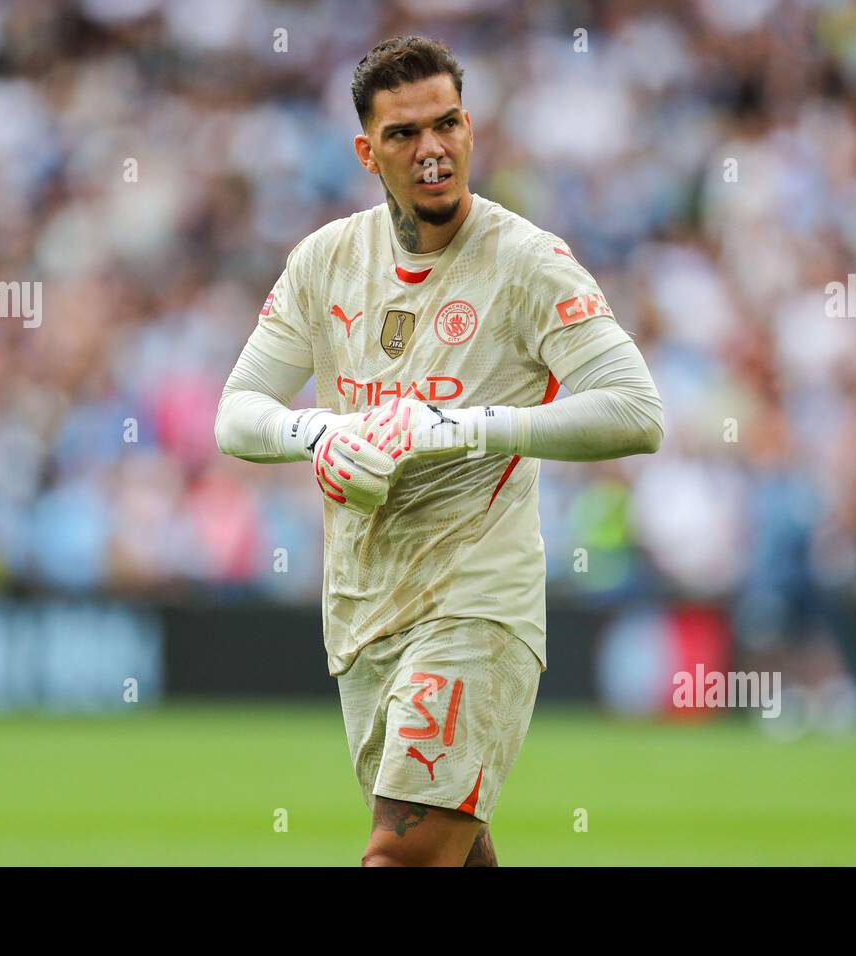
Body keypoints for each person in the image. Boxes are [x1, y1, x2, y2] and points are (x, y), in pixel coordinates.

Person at [215, 35, 665, 866]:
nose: (431, 150)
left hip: (476, 603)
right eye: (403, 134)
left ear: (470, 128)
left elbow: (637, 412)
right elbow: (237, 414)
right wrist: (321, 430)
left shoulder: (529, 263)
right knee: (455, 853)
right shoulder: (326, 260)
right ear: (367, 152)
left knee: (400, 854)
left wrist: (462, 426)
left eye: (447, 124)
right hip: (361, 608)